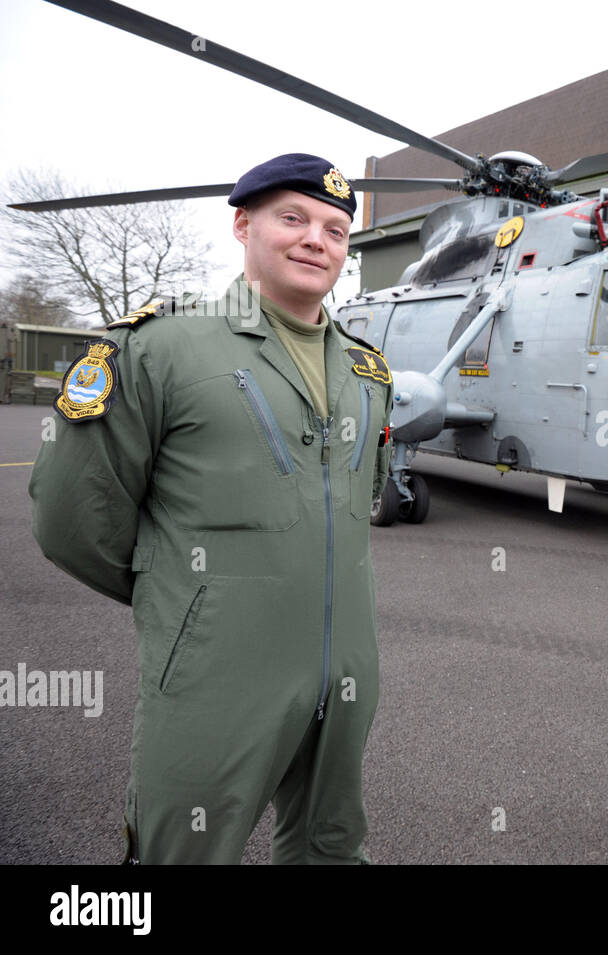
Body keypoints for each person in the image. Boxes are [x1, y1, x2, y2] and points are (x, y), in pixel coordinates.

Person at [30, 154, 394, 864]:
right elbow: (71, 517)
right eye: (293, 218)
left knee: (333, 844)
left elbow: (356, 507)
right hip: (215, 671)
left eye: (336, 230)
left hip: (346, 667)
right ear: (243, 224)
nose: (316, 240)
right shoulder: (161, 347)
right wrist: (189, 599)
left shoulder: (366, 370)